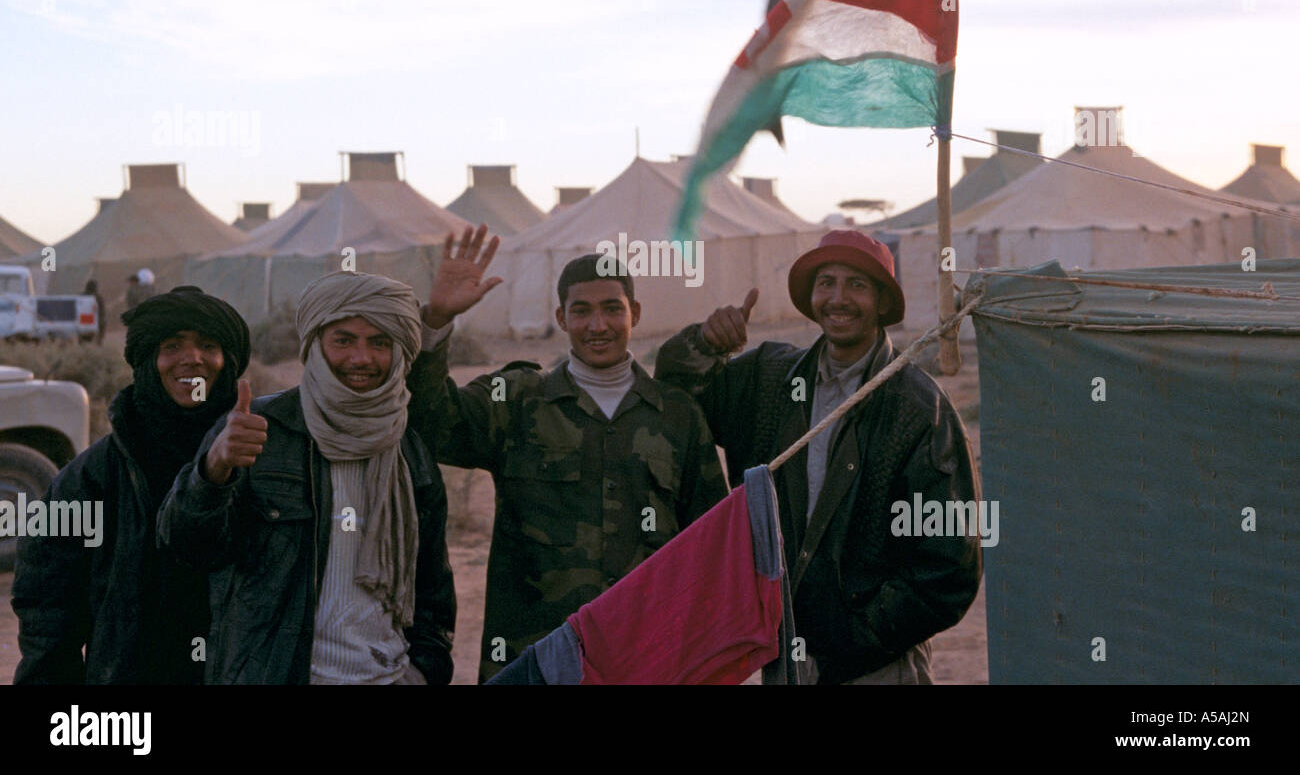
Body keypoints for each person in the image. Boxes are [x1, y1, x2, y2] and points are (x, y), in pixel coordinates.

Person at [654, 229, 982, 685]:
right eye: (826, 282)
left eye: (857, 285)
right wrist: (705, 344)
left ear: (883, 302)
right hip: (786, 662)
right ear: (811, 297)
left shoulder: (918, 409)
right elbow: (675, 401)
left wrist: (849, 641)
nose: (838, 298)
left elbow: (949, 571)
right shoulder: (768, 379)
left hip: (877, 668)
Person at [415, 229, 728, 681]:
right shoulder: (518, 400)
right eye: (581, 311)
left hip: (645, 658)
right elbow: (433, 424)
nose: (597, 326)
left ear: (634, 313)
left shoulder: (676, 415)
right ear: (561, 318)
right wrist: (436, 322)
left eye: (611, 309)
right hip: (535, 660)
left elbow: (710, 543)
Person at [157, 271, 456, 685]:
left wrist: (423, 672)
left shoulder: (408, 448)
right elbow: (188, 548)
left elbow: (433, 593)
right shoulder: (257, 430)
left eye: (380, 342)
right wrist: (214, 470)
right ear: (315, 345)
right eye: (344, 340)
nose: (361, 359)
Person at [12, 285, 250, 683]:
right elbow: (45, 605)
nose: (192, 359)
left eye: (208, 345)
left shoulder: (266, 463)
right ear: (147, 360)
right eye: (172, 346)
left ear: (228, 360)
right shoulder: (92, 476)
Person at [82, 278, 105, 344]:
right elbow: (102, 312)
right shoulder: (98, 297)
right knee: (103, 322)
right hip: (94, 320)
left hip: (83, 319)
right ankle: (99, 341)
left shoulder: (81, 296)